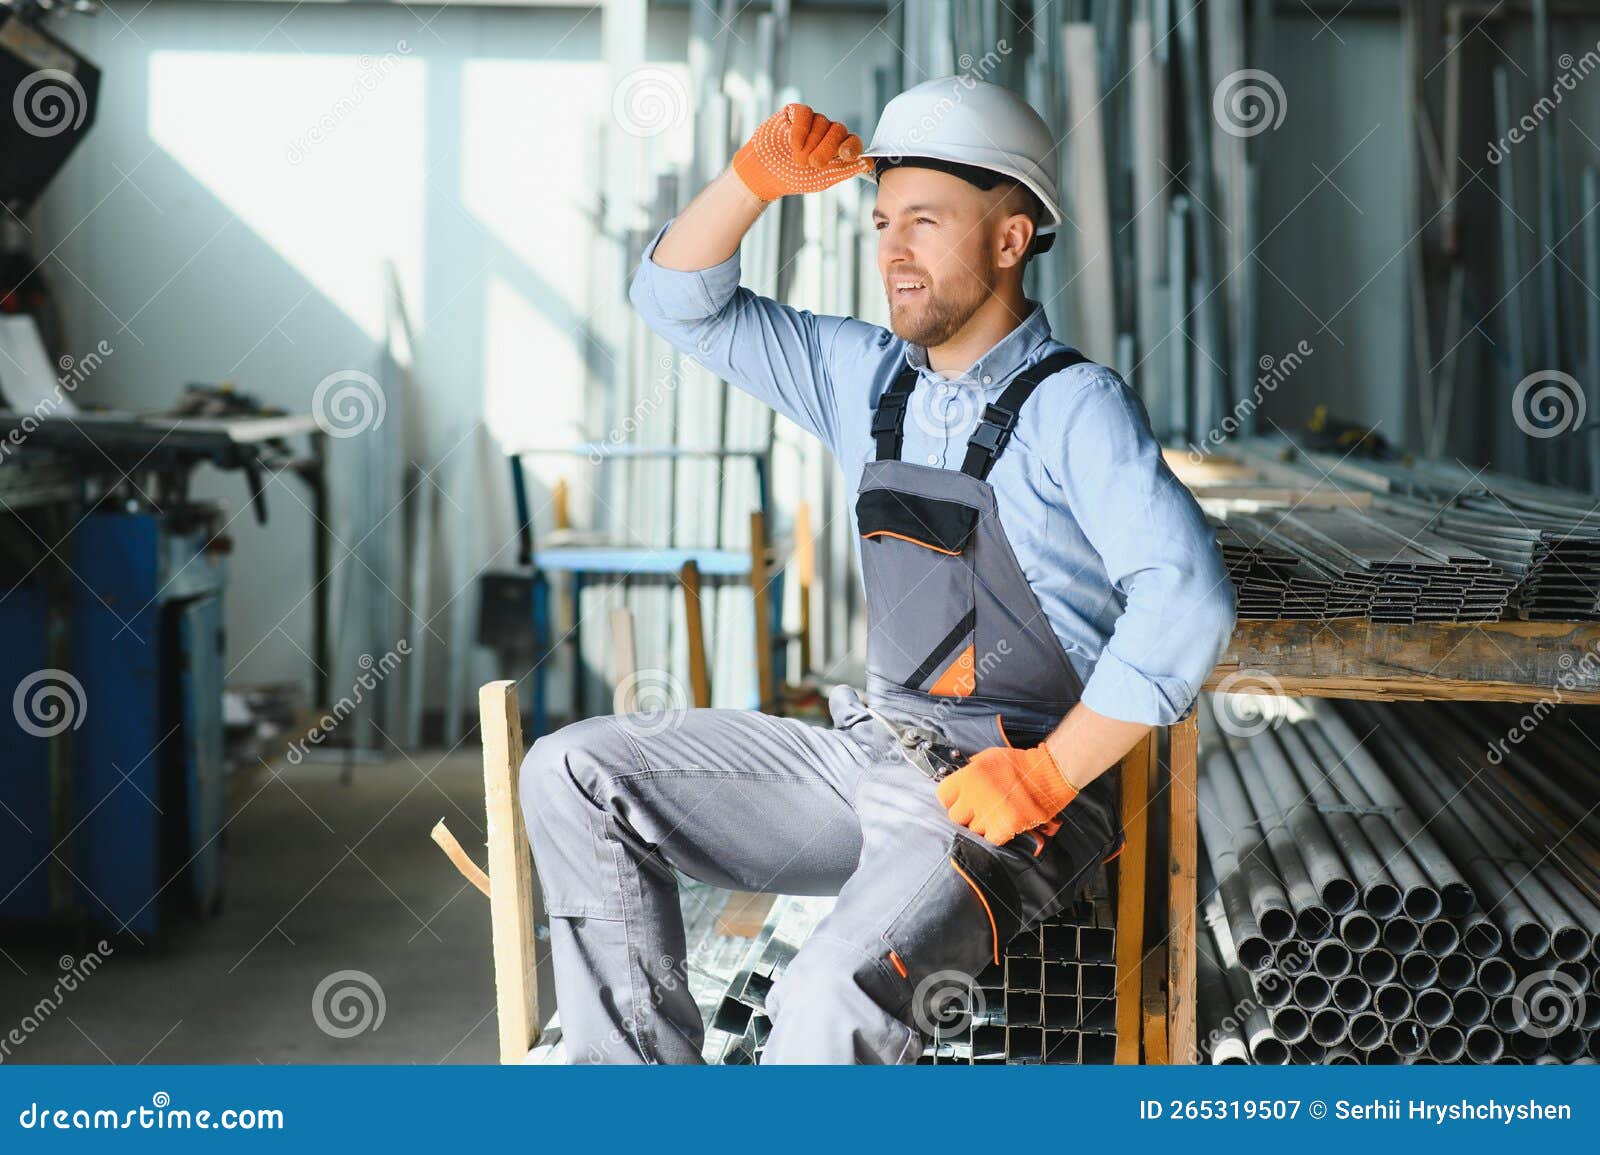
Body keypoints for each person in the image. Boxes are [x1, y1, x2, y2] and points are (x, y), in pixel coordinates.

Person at [521, 76, 1236, 1064]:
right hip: (871, 755)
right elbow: (675, 302)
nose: (893, 250)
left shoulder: (1076, 407)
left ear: (1008, 239)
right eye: (882, 221)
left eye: (926, 222)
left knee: (822, 1000)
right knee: (571, 769)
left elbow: (1188, 598)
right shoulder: (861, 378)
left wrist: (1047, 775)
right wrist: (750, 181)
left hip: (1006, 798)